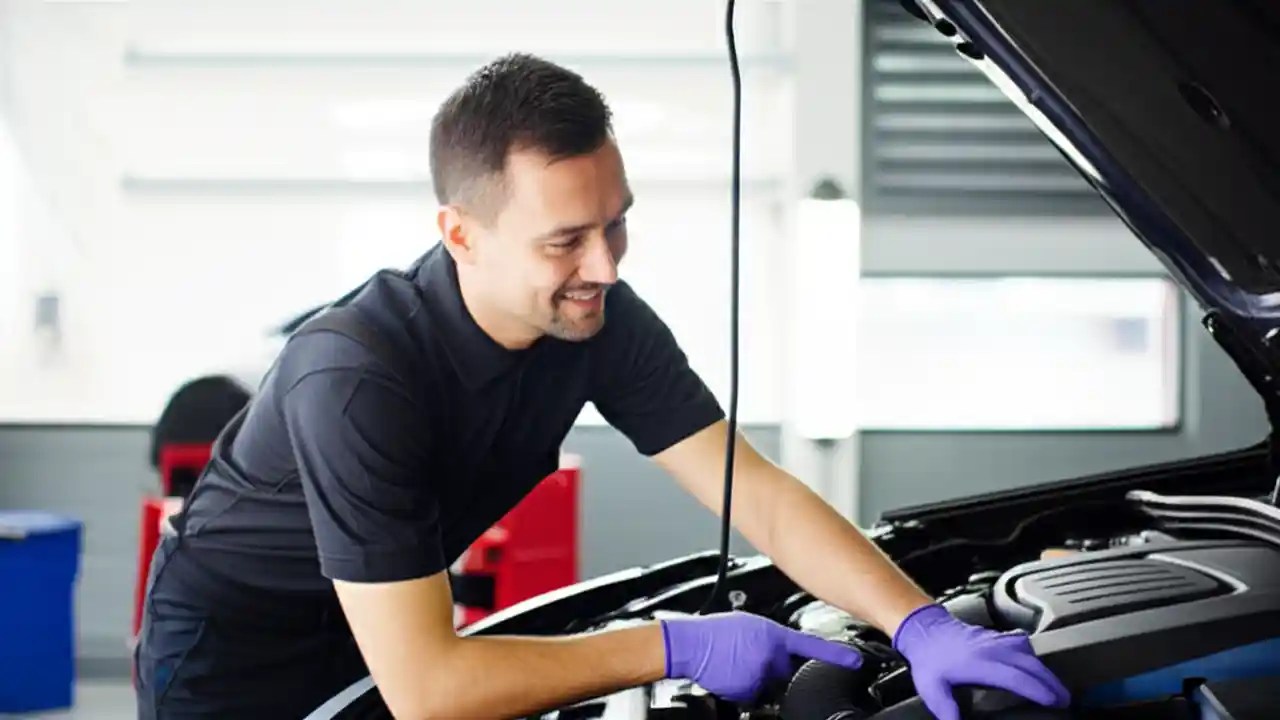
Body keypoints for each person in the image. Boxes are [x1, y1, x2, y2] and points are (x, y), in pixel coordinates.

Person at [133, 52, 1071, 720]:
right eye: (565, 240)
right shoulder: (356, 376)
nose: (606, 266)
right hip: (231, 662)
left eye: (616, 224)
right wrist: (677, 643)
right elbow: (428, 689)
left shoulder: (595, 317)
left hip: (384, 627)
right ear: (460, 233)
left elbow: (763, 500)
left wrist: (918, 621)